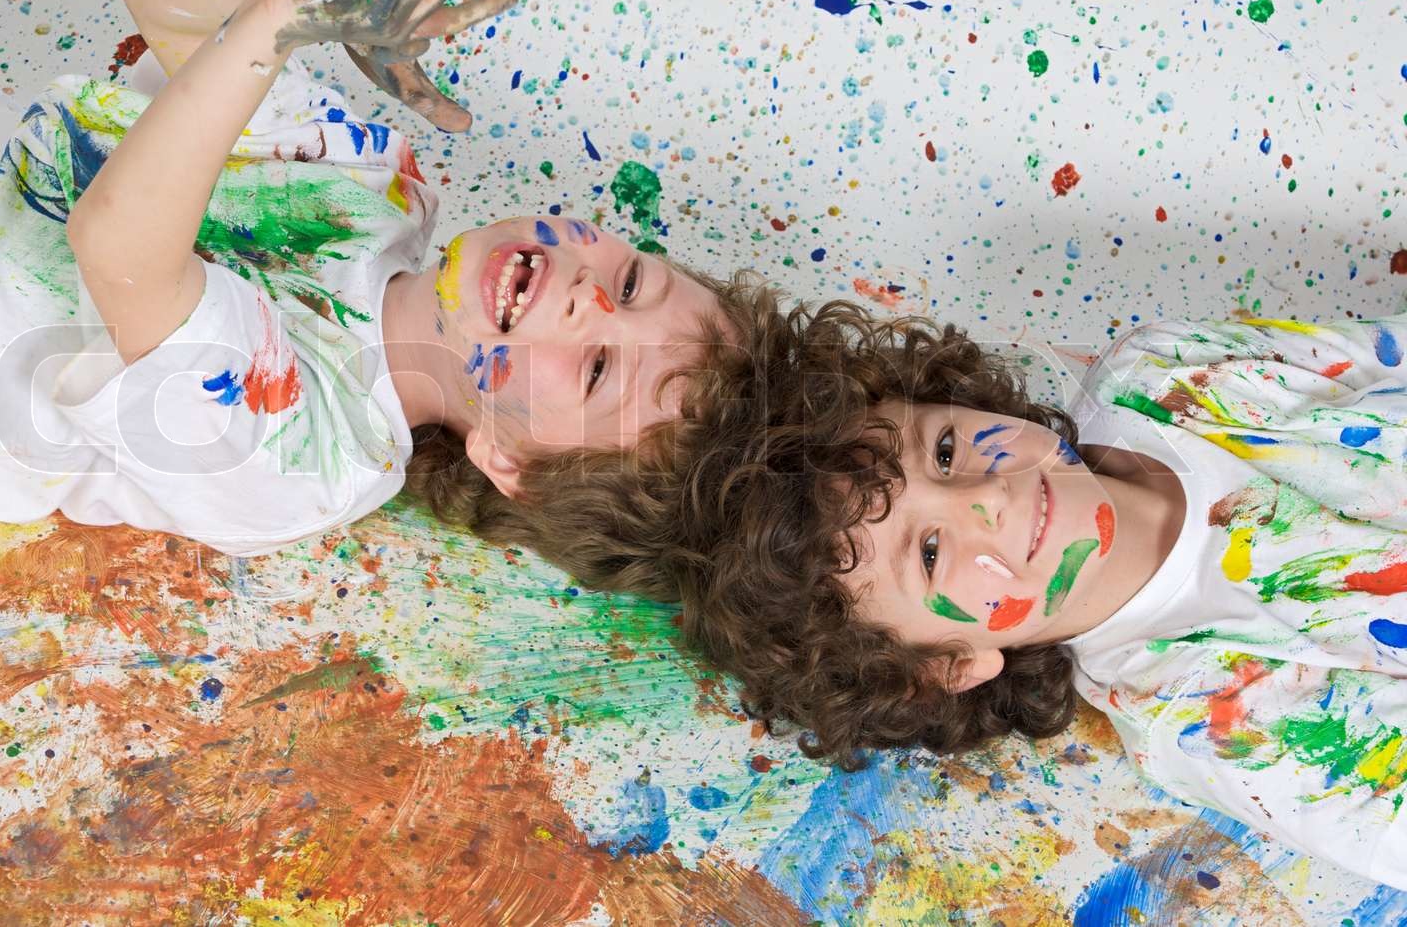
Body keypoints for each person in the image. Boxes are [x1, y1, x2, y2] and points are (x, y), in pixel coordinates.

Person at [0, 0, 732, 556]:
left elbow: (119, 247)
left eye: (600, 366)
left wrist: (282, 19)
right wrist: (344, 0)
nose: (589, 299)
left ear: (509, 460)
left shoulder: (318, 462)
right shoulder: (384, 180)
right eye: (635, 281)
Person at [519, 287, 1407, 890]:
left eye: (943, 451)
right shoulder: (1201, 710)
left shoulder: (1161, 374)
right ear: (951, 665)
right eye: (932, 553)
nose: (985, 495)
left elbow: (1381, 356)